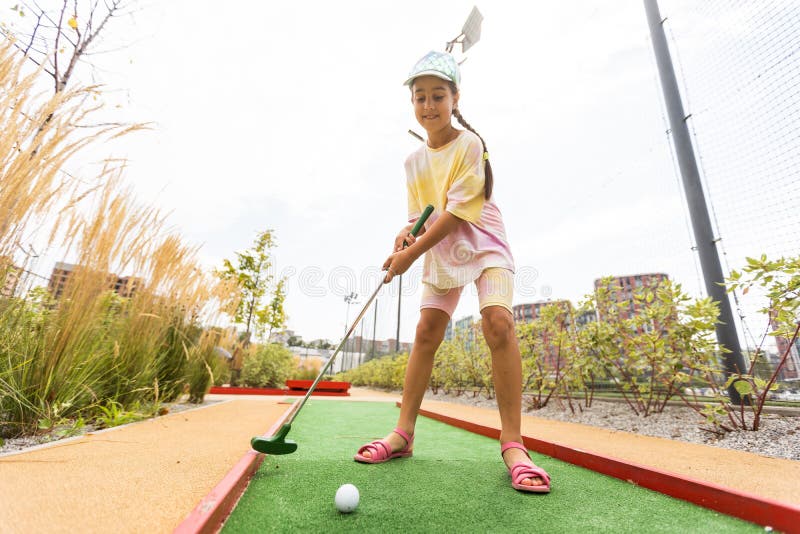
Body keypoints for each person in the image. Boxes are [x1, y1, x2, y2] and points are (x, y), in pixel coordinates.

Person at [353, 51, 551, 493]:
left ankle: (514, 444)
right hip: (442, 250)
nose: (428, 105)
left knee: (498, 323)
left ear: (455, 98)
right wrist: (404, 236)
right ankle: (403, 434)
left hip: (485, 243)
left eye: (438, 96)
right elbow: (420, 217)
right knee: (426, 331)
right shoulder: (412, 162)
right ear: (412, 103)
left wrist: (411, 255)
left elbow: (457, 215)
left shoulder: (470, 145)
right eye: (420, 97)